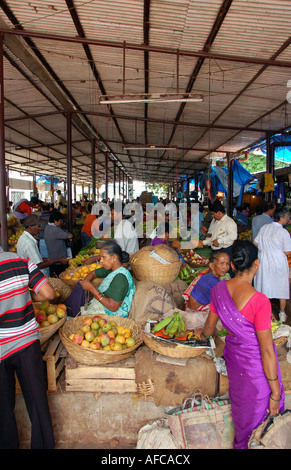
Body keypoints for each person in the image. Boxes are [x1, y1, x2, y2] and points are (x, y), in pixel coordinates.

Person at [194, 240, 285, 449]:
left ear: (233, 266)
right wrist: (275, 393)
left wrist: (201, 334)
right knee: (261, 427)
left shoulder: (218, 289)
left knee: (243, 418)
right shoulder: (259, 301)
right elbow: (267, 351)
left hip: (235, 364)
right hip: (257, 372)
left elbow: (209, 327)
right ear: (257, 264)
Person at [0, 240, 55, 449]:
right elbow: (48, 294)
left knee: (3, 410)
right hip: (27, 341)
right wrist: (25, 294)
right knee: (37, 402)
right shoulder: (20, 260)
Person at [79, 240, 136, 317]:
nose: (101, 261)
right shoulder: (111, 269)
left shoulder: (120, 278)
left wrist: (91, 288)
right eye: (100, 258)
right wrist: (86, 282)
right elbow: (92, 273)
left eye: (103, 257)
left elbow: (113, 307)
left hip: (112, 315)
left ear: (114, 257)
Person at [254, 207, 291, 322]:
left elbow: (255, 243)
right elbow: (287, 251)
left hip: (264, 261)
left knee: (265, 286)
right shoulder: (283, 232)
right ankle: (282, 313)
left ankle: (265, 312)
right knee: (282, 288)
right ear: (283, 217)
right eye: (288, 216)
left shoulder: (264, 227)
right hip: (278, 262)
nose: (288, 218)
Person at [44, 211, 72, 276]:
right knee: (61, 276)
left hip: (52, 258)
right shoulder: (54, 230)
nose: (61, 223)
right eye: (60, 221)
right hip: (59, 260)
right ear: (55, 221)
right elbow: (69, 236)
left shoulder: (47, 227)